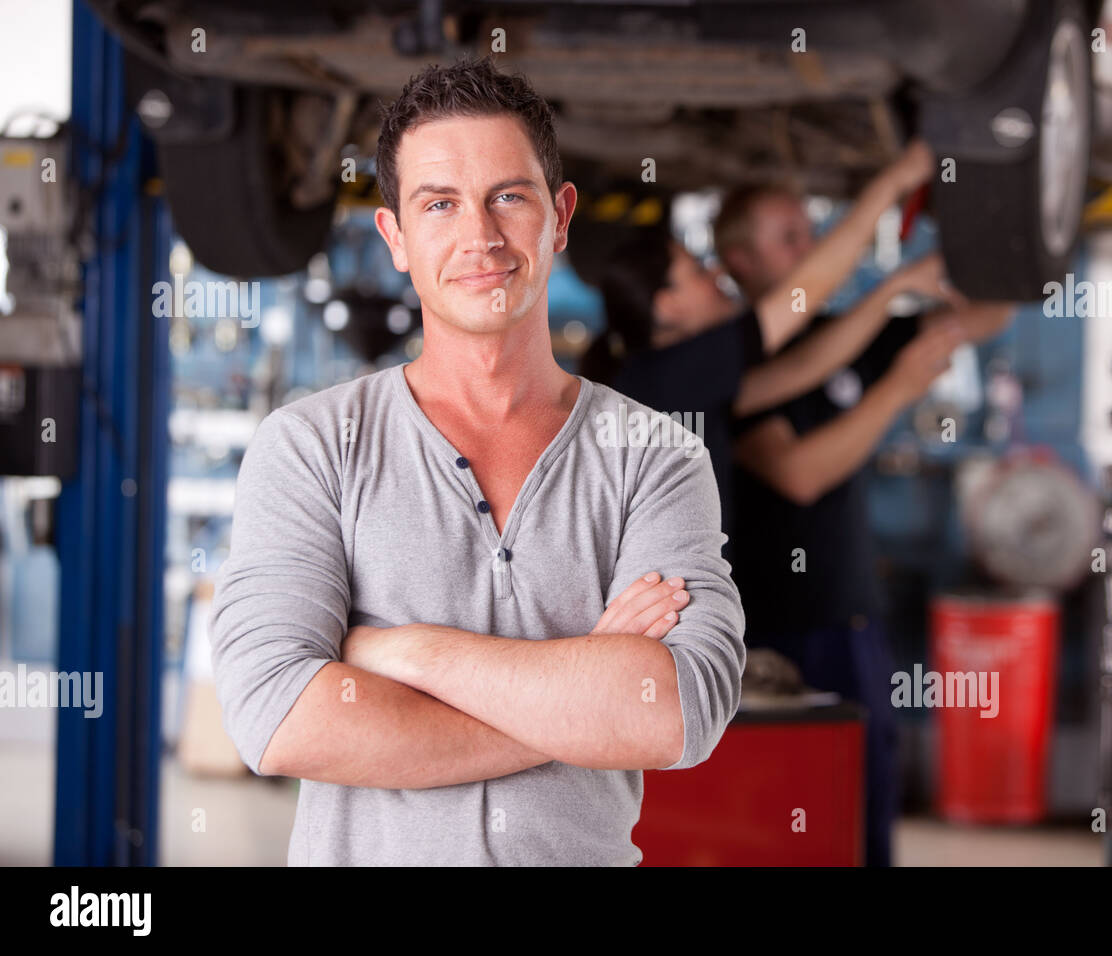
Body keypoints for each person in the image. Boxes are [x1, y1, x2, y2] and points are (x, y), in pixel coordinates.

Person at [208, 57, 747, 866]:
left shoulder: (655, 458)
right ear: (394, 236)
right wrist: (575, 700)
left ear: (559, 217)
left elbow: (675, 713)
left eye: (509, 196)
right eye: (439, 204)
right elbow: (277, 716)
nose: (480, 237)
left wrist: (408, 652)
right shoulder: (312, 448)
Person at [714, 181, 1014, 866]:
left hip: (852, 620)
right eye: (789, 237)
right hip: (776, 629)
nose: (811, 248)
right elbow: (800, 472)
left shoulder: (838, 336)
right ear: (739, 261)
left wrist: (971, 229)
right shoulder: (731, 361)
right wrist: (898, 390)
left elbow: (989, 316)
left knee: (865, 800)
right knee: (789, 814)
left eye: (810, 230)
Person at [580, 142, 961, 558]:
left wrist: (893, 288)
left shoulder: (663, 382)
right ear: (666, 305)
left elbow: (804, 366)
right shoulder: (666, 375)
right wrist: (894, 180)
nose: (715, 273)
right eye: (695, 271)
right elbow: (806, 292)